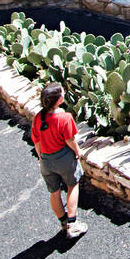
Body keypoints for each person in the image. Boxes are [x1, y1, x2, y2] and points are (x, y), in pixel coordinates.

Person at [31, 82, 88, 239]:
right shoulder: (64, 117)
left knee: (54, 193)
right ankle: (73, 224)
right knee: (72, 186)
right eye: (62, 93)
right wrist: (78, 152)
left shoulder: (38, 118)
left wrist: (41, 157)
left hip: (46, 161)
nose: (64, 94)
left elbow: (37, 142)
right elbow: (70, 140)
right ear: (58, 100)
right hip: (63, 159)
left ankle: (63, 223)